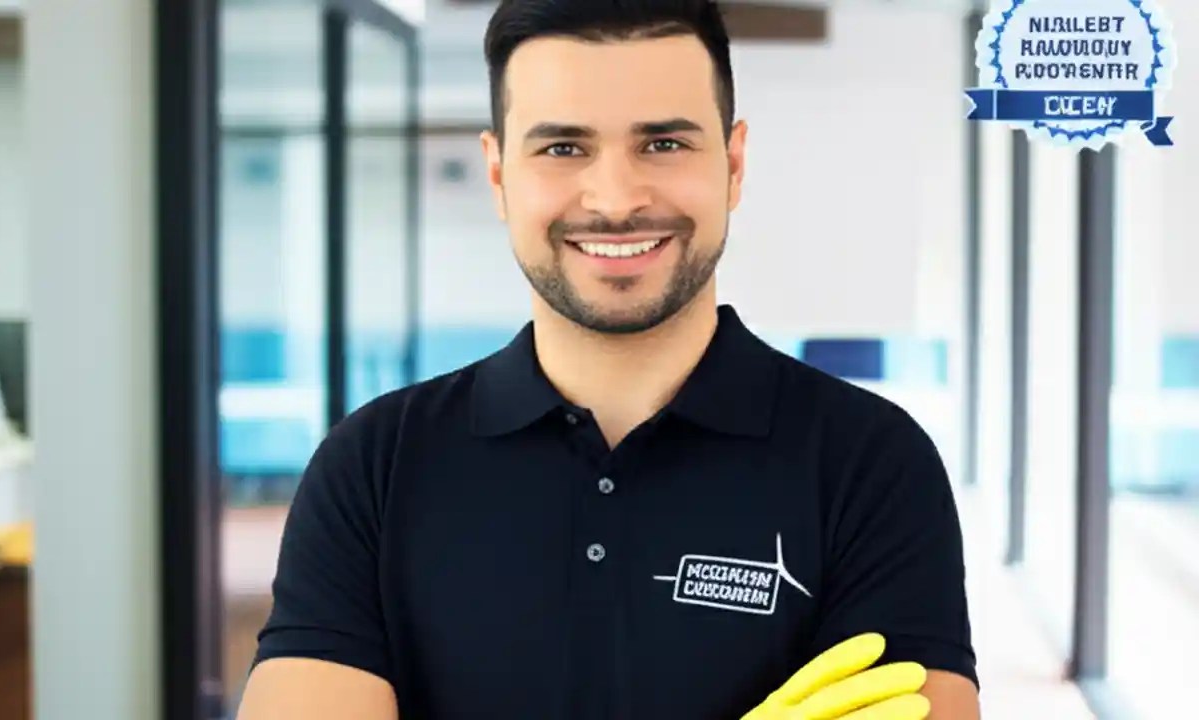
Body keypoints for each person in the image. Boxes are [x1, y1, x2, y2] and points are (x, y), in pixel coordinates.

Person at [237, 0, 981, 717]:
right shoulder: (373, 464)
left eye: (664, 143)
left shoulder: (871, 464)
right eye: (564, 147)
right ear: (499, 174)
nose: (617, 198)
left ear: (733, 163)